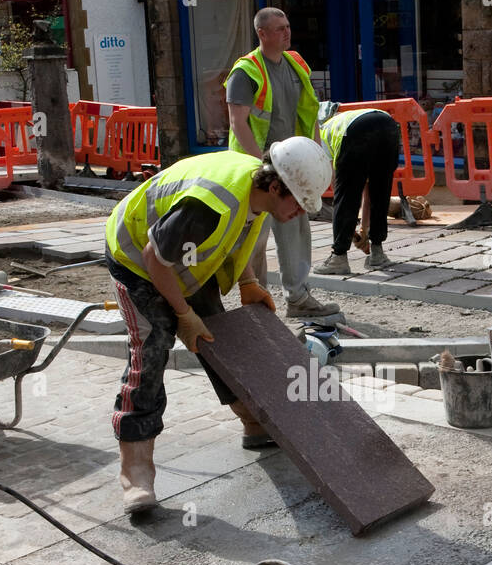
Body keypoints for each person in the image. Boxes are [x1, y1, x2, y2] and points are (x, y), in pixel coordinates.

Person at [104, 136, 333, 513]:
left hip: (178, 256)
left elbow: (230, 238)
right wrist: (182, 314)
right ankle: (136, 469)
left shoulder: (254, 194)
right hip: (137, 260)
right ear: (275, 186)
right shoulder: (210, 204)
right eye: (297, 201)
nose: (300, 212)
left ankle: (252, 421)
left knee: (218, 332)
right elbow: (154, 258)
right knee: (153, 345)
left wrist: (247, 282)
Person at [225, 7, 341, 321]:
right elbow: (238, 123)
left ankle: (299, 298)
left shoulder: (296, 64)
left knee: (295, 232)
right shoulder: (246, 71)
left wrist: (316, 156)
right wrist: (260, 166)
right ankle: (256, 299)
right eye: (279, 28)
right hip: (258, 170)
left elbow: (309, 112)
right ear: (262, 33)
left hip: (293, 168)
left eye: (288, 26)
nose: (287, 32)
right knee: (255, 239)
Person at [311, 102, 400, 276]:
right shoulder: (347, 117)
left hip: (357, 132)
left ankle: (338, 258)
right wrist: (363, 231)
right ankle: (377, 253)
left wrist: (350, 233)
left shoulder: (324, 132)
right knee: (380, 191)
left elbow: (343, 194)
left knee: (346, 196)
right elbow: (369, 195)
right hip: (389, 125)